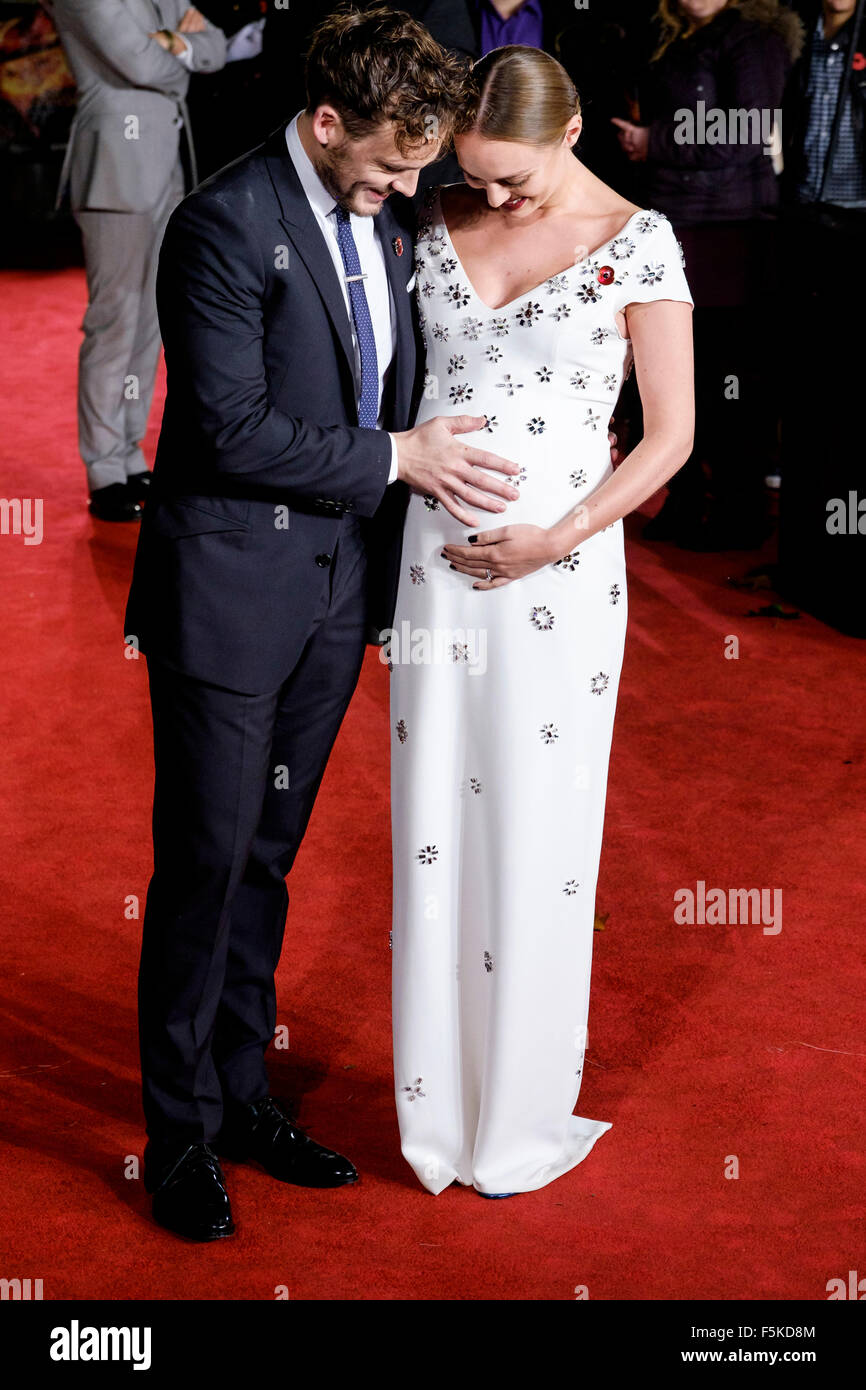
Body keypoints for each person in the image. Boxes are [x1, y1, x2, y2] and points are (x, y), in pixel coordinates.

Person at [124, 4, 522, 1242]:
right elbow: (226, 428)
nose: (412, 186)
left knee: (269, 859)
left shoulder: (390, 211)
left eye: (422, 165)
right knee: (204, 866)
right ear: (325, 121)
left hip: (337, 589)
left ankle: (242, 1095)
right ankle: (176, 1132)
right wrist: (396, 454)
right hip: (227, 594)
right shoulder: (221, 225)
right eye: (396, 163)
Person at [389, 45, 695, 1197]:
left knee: (536, 835)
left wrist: (555, 537)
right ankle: (436, 1110)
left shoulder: (639, 243)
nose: (496, 199)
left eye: (513, 177)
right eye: (477, 175)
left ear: (570, 133)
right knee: (431, 827)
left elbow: (667, 435)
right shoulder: (435, 222)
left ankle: (514, 1112)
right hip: (434, 568)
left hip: (558, 579)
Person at [612, 0, 801, 549]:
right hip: (673, 222)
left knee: (728, 383)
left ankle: (738, 511)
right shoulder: (670, 33)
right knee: (669, 377)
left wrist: (653, 142)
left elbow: (743, 135)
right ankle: (687, 498)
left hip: (729, 232)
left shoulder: (753, 38)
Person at [45, 1, 227, 522]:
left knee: (149, 320)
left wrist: (167, 40)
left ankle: (128, 456)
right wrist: (178, 45)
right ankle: (103, 470)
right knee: (114, 320)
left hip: (168, 167)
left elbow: (215, 48)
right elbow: (141, 65)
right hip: (114, 170)